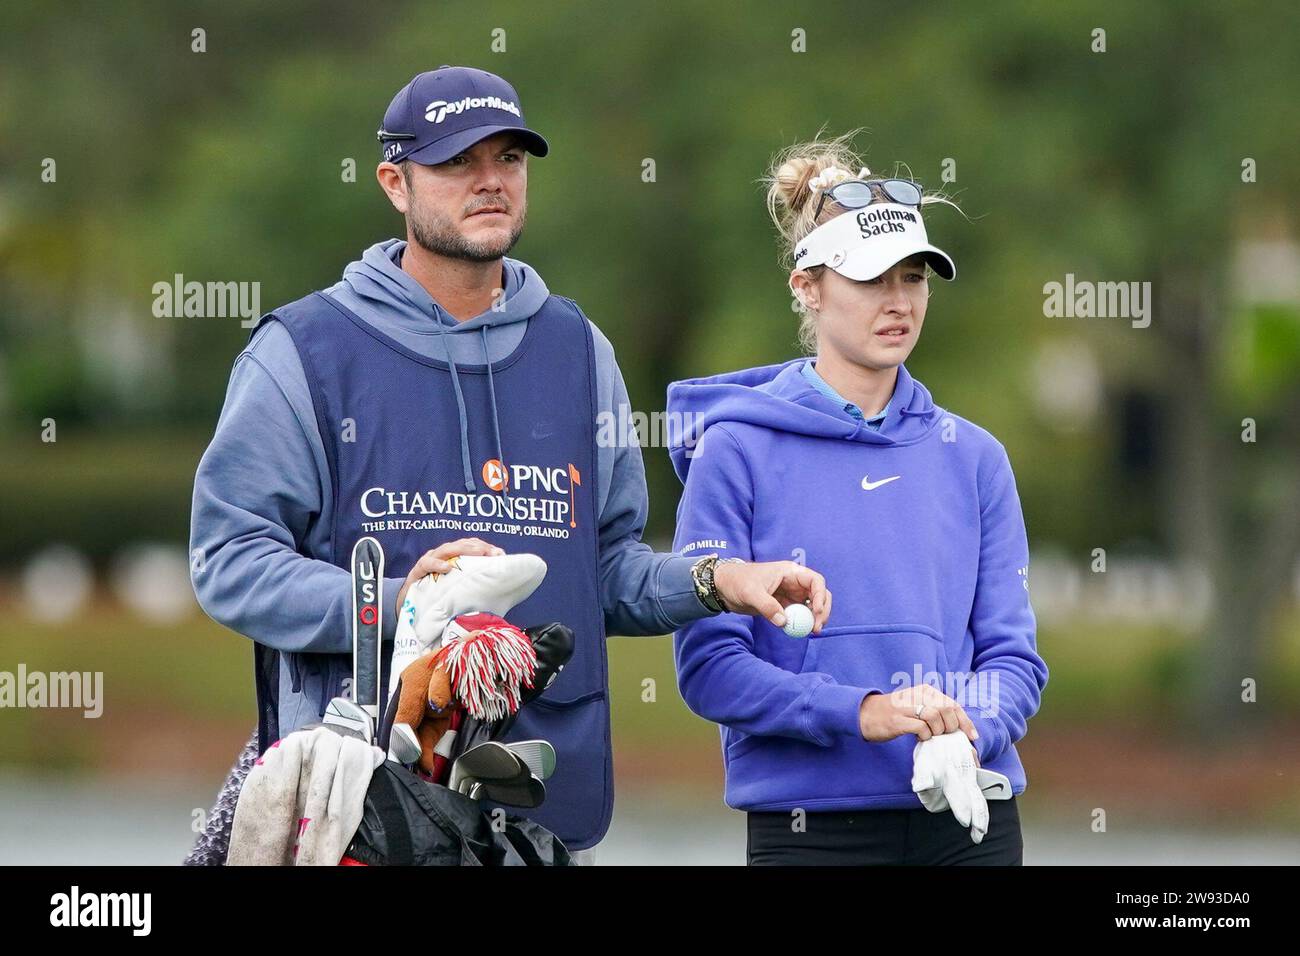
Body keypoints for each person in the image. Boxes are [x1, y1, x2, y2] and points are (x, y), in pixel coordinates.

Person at [184, 66, 830, 864]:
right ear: (395, 182)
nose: (490, 181)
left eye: (510, 159)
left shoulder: (579, 351)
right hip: (360, 809)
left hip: (539, 814)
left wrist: (716, 581)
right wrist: (405, 603)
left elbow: (607, 571)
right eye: (458, 161)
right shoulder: (302, 352)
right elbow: (229, 562)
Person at [666, 133, 1049, 865]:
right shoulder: (735, 452)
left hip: (968, 814)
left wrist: (961, 728)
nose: (898, 301)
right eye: (873, 279)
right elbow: (710, 668)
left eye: (914, 277)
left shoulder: (974, 459)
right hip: (812, 827)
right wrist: (864, 713)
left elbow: (1013, 657)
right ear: (807, 287)